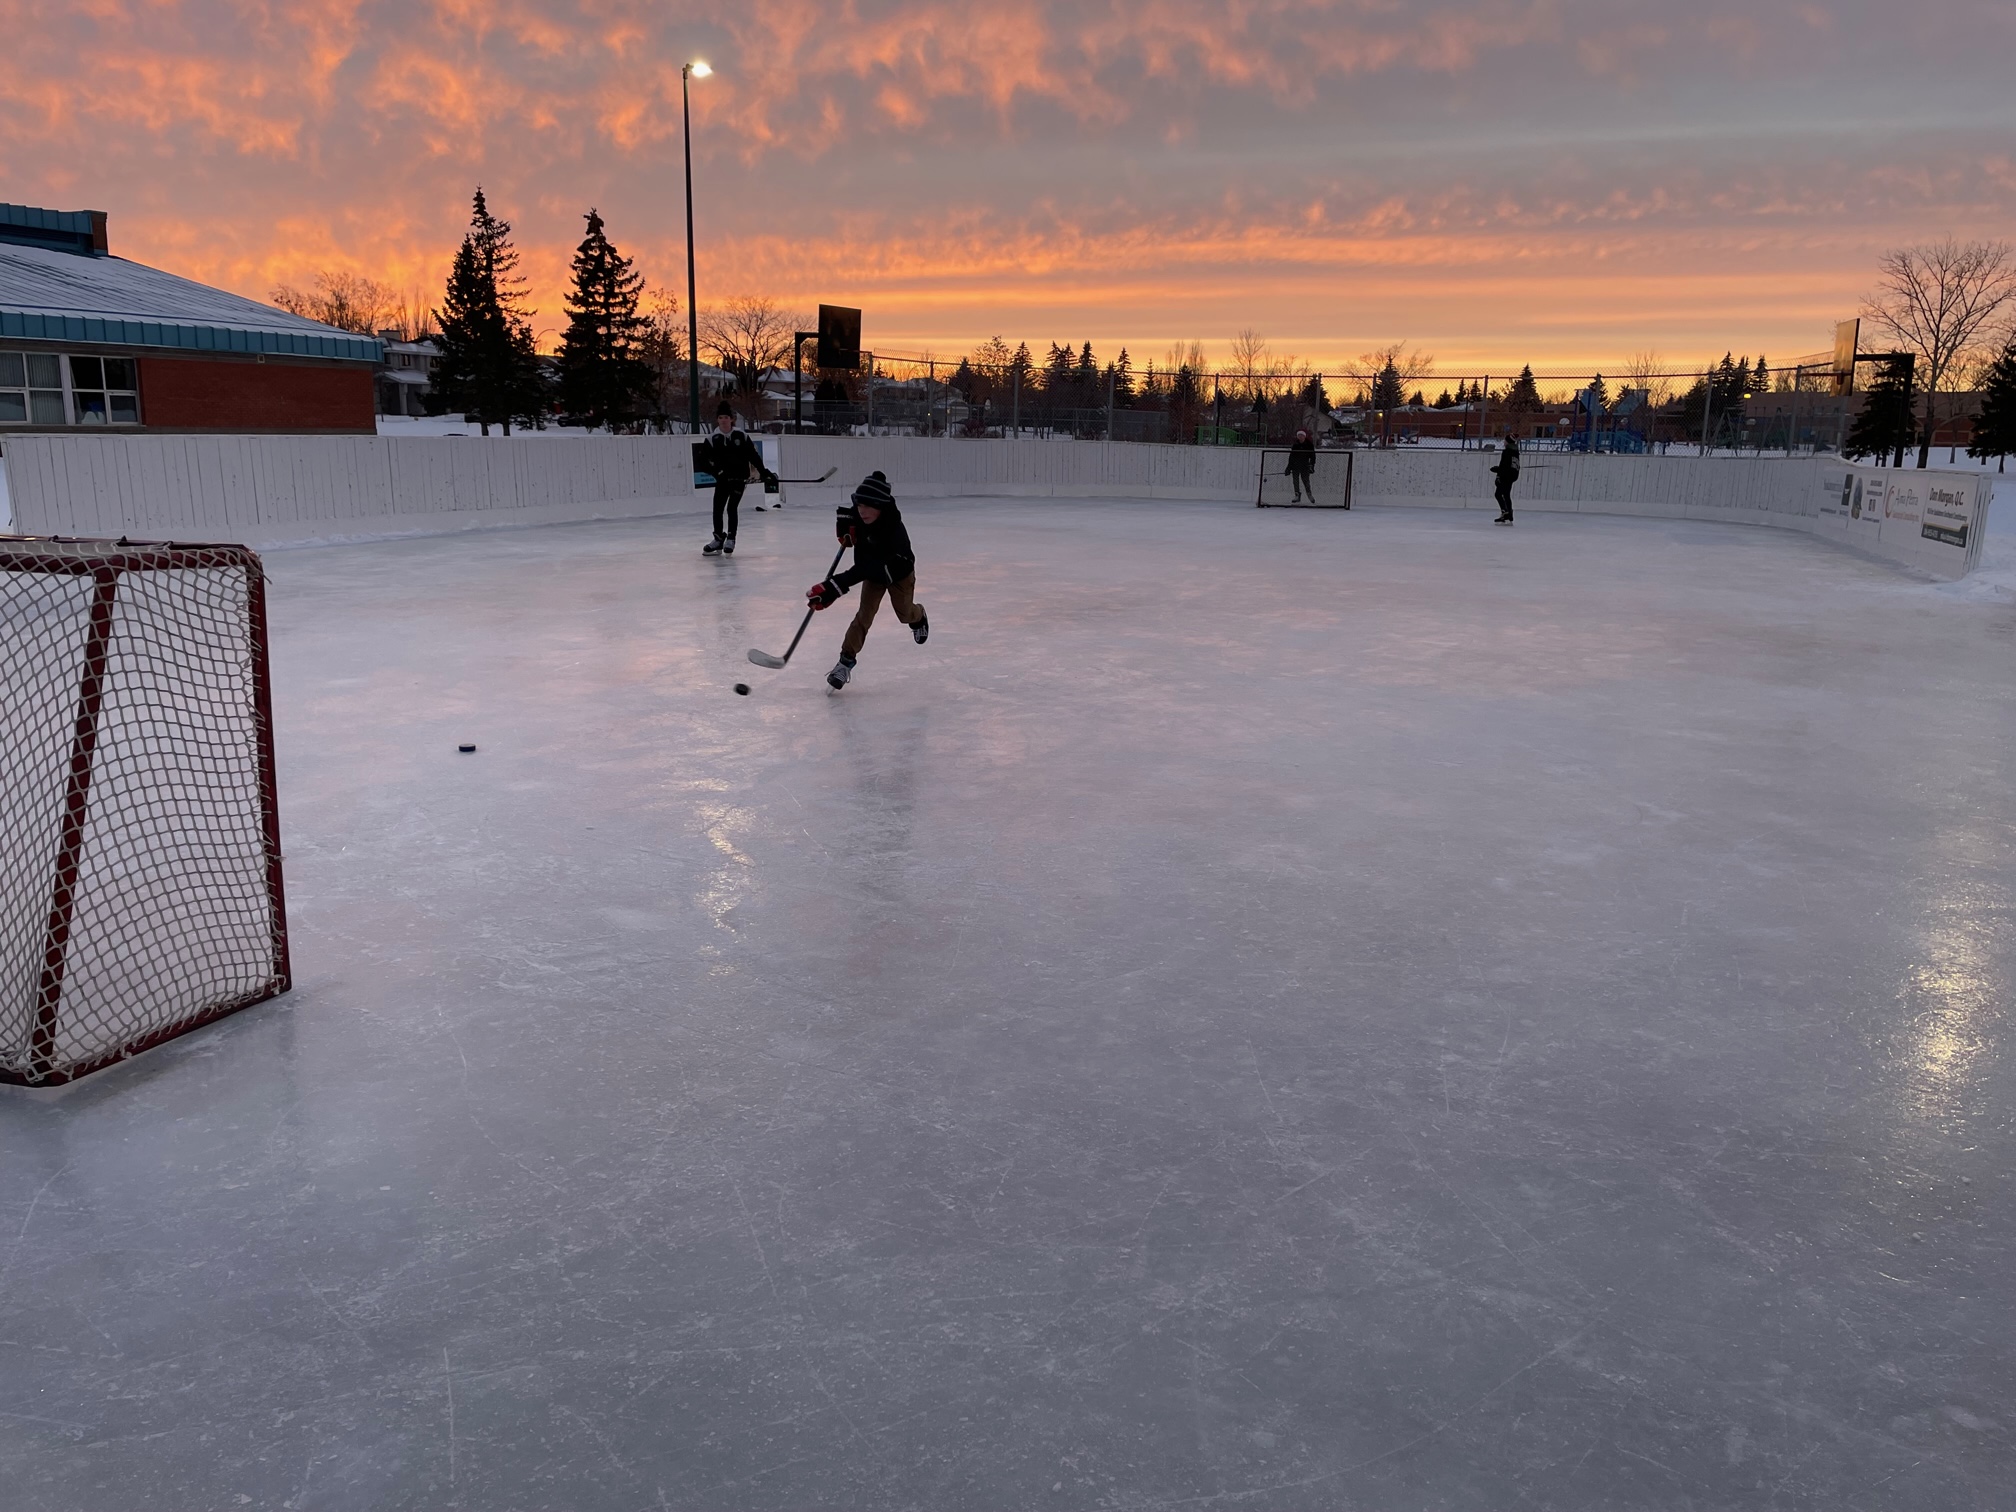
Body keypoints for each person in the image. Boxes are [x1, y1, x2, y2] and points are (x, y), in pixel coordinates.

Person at [805, 471, 929, 690]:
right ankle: (845, 663)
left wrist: (834, 587)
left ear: (881, 505)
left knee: (905, 613)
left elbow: (866, 568)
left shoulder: (894, 532)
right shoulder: (860, 514)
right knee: (864, 616)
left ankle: (919, 616)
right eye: (860, 504)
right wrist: (845, 529)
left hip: (898, 573)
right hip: (872, 573)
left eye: (868, 506)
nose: (862, 510)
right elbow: (848, 516)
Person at [698, 402, 774, 555]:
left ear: (731, 419)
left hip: (739, 479)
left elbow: (753, 456)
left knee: (732, 508)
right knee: (717, 509)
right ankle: (718, 538)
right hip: (722, 480)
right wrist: (718, 473)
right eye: (720, 417)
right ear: (717, 420)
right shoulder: (712, 439)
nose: (723, 420)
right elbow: (703, 462)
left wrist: (764, 472)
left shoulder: (741, 436)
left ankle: (731, 538)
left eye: (726, 417)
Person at [1489, 434, 1521, 524]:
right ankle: (1508, 514)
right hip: (1512, 475)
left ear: (1508, 442)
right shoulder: (1515, 451)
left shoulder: (1507, 451)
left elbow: (1504, 466)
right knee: (1506, 494)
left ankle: (1506, 513)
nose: (1504, 442)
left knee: (1498, 494)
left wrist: (1497, 471)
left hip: (1506, 476)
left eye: (1505, 440)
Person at [1286, 428, 1317, 503]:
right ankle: (1297, 494)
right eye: (1299, 435)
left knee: (1306, 481)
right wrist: (1288, 468)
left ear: (1304, 436)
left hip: (1305, 466)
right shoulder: (1295, 445)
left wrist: (1311, 466)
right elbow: (1291, 457)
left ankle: (1309, 494)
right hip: (1295, 466)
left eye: (1302, 435)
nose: (1300, 437)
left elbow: (1312, 456)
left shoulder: (1309, 445)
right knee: (1295, 480)